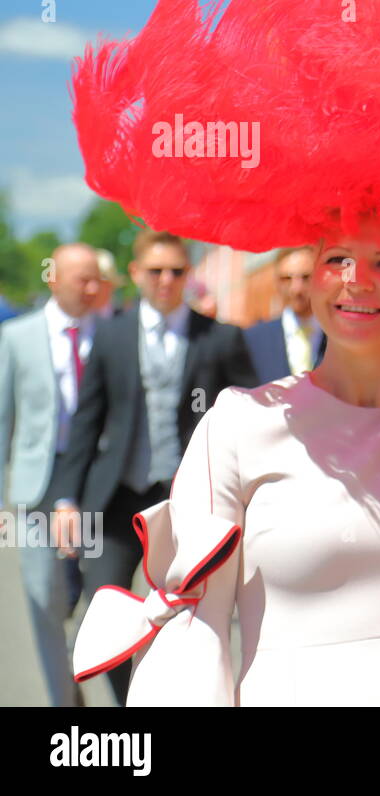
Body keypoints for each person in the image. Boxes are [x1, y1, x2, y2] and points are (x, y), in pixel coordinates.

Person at [62, 0, 380, 705]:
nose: (355, 282)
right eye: (337, 257)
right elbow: (196, 631)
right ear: (310, 278)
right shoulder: (241, 426)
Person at [47, 230, 257, 704]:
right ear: (136, 274)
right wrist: (66, 500)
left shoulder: (220, 338)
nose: (166, 280)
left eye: (177, 271)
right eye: (156, 270)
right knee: (103, 615)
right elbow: (86, 420)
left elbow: (248, 418)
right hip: (117, 496)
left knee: (199, 620)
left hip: (189, 504)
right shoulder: (111, 335)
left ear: (188, 275)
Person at [0, 242, 102, 706]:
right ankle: (64, 702)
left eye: (96, 279)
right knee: (44, 596)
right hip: (35, 488)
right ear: (53, 279)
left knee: (92, 592)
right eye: (82, 279)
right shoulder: (17, 337)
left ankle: (74, 660)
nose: (92, 288)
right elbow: (4, 417)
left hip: (91, 482)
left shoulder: (109, 334)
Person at [244, 245, 327, 384]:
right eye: (287, 279)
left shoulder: (340, 340)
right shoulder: (253, 339)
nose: (296, 289)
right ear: (276, 282)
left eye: (306, 277)